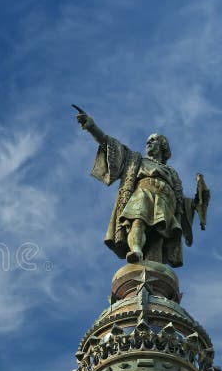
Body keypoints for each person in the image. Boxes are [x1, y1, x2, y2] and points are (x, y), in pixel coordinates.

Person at [74, 107, 195, 267]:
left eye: (153, 140)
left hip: (166, 202)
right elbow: (110, 144)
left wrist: (197, 202)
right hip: (143, 194)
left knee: (158, 237)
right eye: (147, 141)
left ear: (163, 146)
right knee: (137, 220)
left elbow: (182, 203)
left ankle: (153, 266)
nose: (148, 143)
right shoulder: (135, 159)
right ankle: (136, 249)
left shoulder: (172, 173)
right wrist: (92, 127)